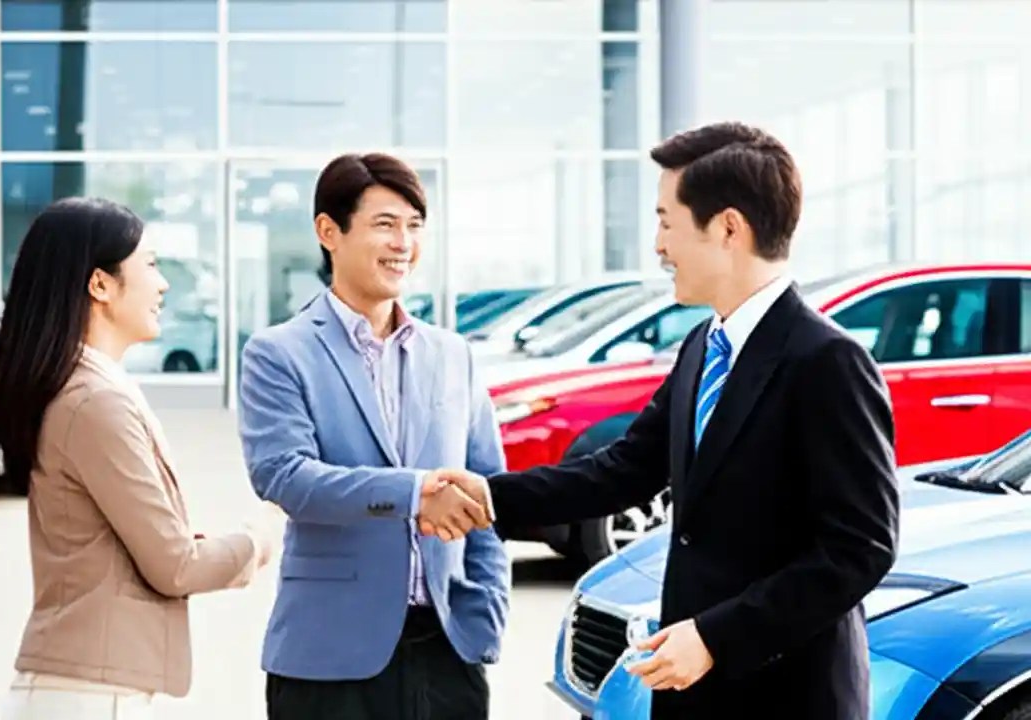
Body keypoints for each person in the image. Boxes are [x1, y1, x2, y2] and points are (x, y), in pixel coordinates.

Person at [444, 122, 900, 719]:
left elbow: (859, 548)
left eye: (666, 221)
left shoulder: (827, 361)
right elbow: (623, 470)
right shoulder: (701, 350)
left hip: (787, 695)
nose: (658, 246)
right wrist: (486, 498)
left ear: (729, 228)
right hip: (694, 691)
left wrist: (716, 637)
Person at [0, 197, 281, 719]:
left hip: (86, 688)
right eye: (150, 264)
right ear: (100, 284)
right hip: (89, 697)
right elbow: (174, 566)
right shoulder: (94, 400)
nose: (162, 284)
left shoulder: (87, 387)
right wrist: (260, 538)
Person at [237, 153, 511, 720]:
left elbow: (490, 491)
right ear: (328, 232)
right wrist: (414, 493)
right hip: (330, 661)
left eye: (414, 227)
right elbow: (285, 476)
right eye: (385, 224)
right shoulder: (279, 352)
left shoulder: (451, 354)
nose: (403, 243)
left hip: (447, 651)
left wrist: (485, 608)